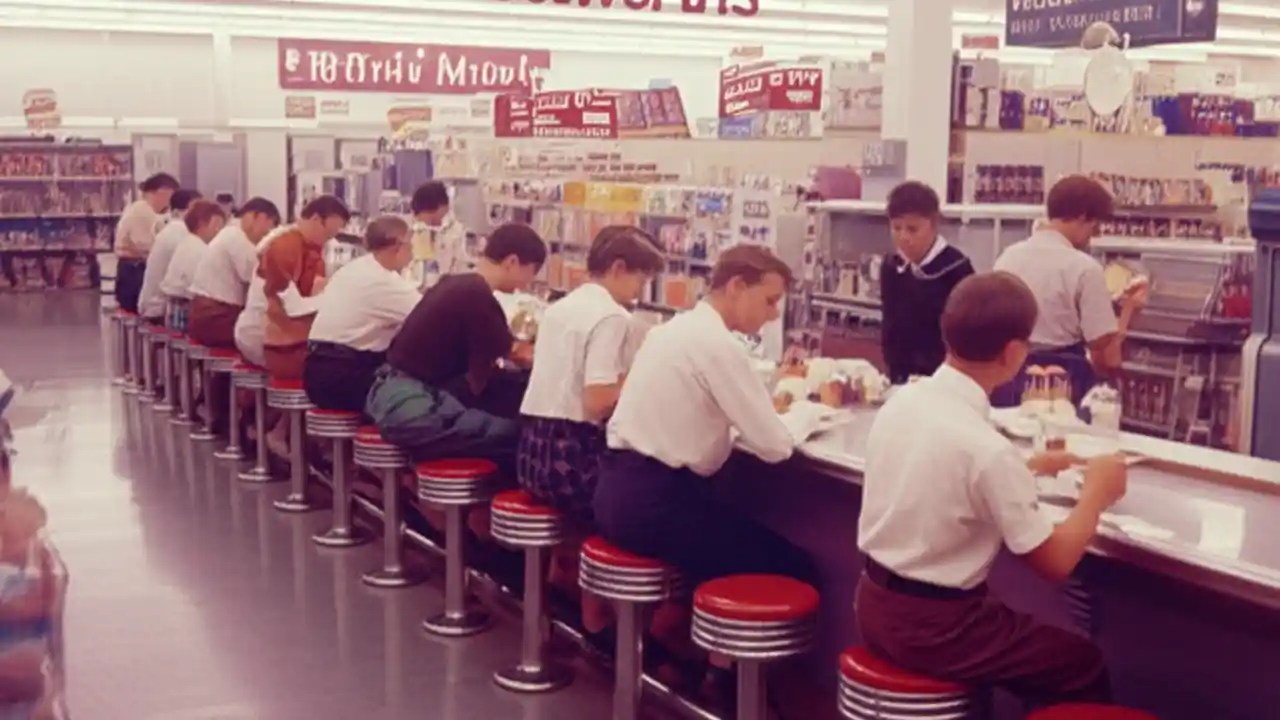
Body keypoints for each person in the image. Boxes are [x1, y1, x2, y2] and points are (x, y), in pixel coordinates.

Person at [856, 272, 1127, 709]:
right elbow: (1055, 562)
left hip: (873, 604)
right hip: (935, 630)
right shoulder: (988, 449)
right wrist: (1097, 493)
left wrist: (1027, 467)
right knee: (1081, 662)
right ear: (1015, 353)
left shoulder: (904, 402)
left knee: (1015, 627)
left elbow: (944, 468)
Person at [596, 245, 822, 590]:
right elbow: (776, 447)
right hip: (659, 507)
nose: (774, 314)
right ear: (736, 288)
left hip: (616, 493)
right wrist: (812, 411)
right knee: (799, 569)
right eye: (770, 300)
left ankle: (668, 634)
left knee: (720, 542)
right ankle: (709, 641)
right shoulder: (718, 344)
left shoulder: (671, 330)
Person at [517, 226, 664, 630]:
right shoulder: (612, 318)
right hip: (572, 460)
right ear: (618, 268)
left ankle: (565, 578)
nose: (641, 291)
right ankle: (602, 617)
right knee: (648, 506)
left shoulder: (563, 306)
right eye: (641, 278)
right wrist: (647, 370)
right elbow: (597, 401)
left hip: (533, 454)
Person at [366, 222, 545, 468]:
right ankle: (481, 502)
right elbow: (518, 355)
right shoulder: (476, 294)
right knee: (518, 436)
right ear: (512, 262)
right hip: (416, 408)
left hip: (394, 394)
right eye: (531, 271)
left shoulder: (456, 283)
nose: (528, 283)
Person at [993, 175, 1147, 406]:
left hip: (1007, 371)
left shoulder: (1007, 257)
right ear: (1083, 217)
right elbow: (1101, 344)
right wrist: (1127, 310)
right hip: (1062, 377)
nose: (1093, 237)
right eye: (1094, 227)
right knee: (1061, 441)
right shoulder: (1084, 267)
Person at [304, 216, 421, 413]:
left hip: (317, 369)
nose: (413, 252)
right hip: (343, 376)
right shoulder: (384, 282)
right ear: (397, 246)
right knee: (417, 399)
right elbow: (428, 316)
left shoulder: (355, 269)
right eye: (410, 245)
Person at [880, 181, 974, 384]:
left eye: (913, 229)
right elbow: (889, 325)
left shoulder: (956, 269)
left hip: (943, 381)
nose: (903, 237)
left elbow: (965, 339)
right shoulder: (891, 266)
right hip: (899, 380)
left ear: (933, 225)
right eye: (896, 228)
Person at [257, 195, 350, 381]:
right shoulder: (282, 246)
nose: (327, 241)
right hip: (274, 341)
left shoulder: (308, 246)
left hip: (288, 335)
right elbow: (290, 308)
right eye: (327, 235)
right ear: (315, 219)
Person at [187, 197, 282, 349]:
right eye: (270, 226)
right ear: (257, 217)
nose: (268, 233)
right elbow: (256, 274)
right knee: (268, 338)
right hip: (215, 318)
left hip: (208, 315)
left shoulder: (231, 234)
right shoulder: (235, 236)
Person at [114, 173, 180, 315]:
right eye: (170, 195)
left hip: (130, 268)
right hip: (134, 270)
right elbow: (145, 245)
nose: (169, 203)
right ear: (161, 191)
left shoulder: (142, 209)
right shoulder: (142, 210)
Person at [159, 201, 227, 334]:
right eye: (217, 226)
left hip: (174, 311)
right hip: (184, 314)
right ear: (202, 224)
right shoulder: (199, 250)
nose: (219, 232)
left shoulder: (188, 243)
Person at [137, 189, 202, 323]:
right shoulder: (180, 233)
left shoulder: (171, 229)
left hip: (155, 304)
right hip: (160, 310)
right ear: (179, 212)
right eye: (196, 209)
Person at [412, 181, 468, 275]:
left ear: (443, 207)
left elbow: (462, 265)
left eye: (430, 219)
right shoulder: (418, 230)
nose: (427, 223)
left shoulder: (458, 232)